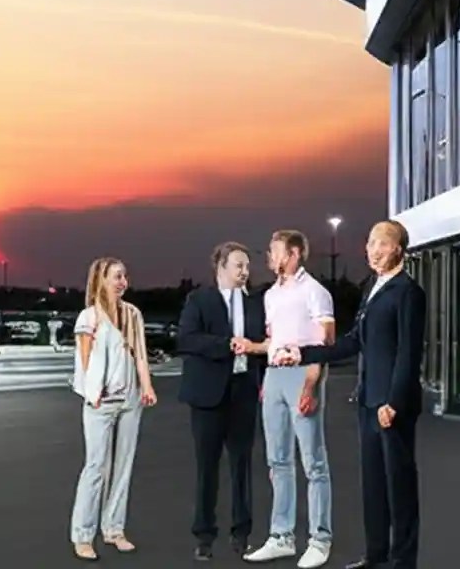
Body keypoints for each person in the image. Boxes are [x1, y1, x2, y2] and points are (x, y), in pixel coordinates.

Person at [275, 220, 425, 569]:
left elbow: (408, 353)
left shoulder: (408, 292)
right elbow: (353, 341)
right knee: (373, 484)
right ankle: (375, 556)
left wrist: (394, 403)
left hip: (391, 406)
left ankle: (403, 561)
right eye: (370, 242)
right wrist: (303, 353)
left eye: (382, 244)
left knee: (398, 487)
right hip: (368, 403)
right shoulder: (372, 287)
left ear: (399, 249)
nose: (373, 250)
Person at [244, 230, 335, 568]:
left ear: (294, 253)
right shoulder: (271, 295)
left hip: (303, 375)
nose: (269, 255)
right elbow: (275, 340)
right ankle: (281, 536)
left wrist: (311, 384)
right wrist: (255, 353)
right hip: (275, 377)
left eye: (274, 250)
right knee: (277, 461)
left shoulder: (316, 292)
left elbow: (325, 343)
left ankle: (320, 539)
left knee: (313, 463)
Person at [177, 241, 268, 561]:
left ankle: (242, 532)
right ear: (221, 266)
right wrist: (226, 345)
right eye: (239, 266)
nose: (245, 271)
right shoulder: (199, 299)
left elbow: (265, 344)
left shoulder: (257, 303)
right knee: (207, 468)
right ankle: (204, 534)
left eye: (247, 266)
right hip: (207, 396)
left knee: (242, 465)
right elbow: (186, 339)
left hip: (244, 392)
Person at [69, 257, 158, 562]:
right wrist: (91, 393)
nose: (123, 282)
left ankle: (114, 529)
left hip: (130, 398)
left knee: (123, 465)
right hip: (100, 401)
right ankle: (82, 535)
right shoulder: (89, 317)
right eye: (117, 276)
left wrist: (146, 387)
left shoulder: (132, 314)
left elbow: (141, 355)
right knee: (96, 467)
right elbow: (84, 360)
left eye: (125, 276)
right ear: (102, 280)